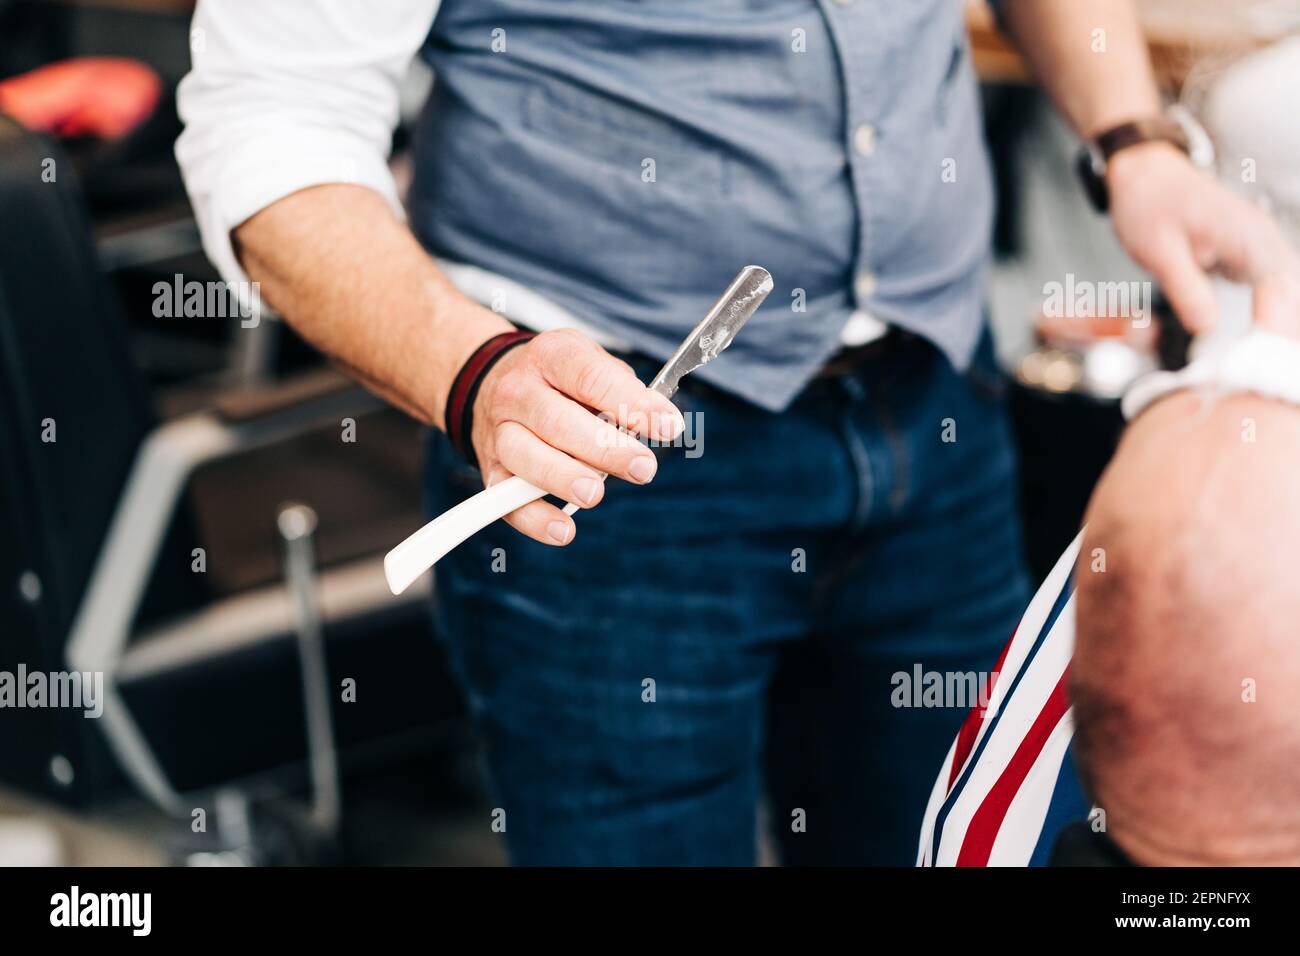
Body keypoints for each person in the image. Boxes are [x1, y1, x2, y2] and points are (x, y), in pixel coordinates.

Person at [176, 1, 1298, 864]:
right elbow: (272, 118)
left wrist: (1129, 137)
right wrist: (470, 372)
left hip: (937, 409)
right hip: (603, 469)